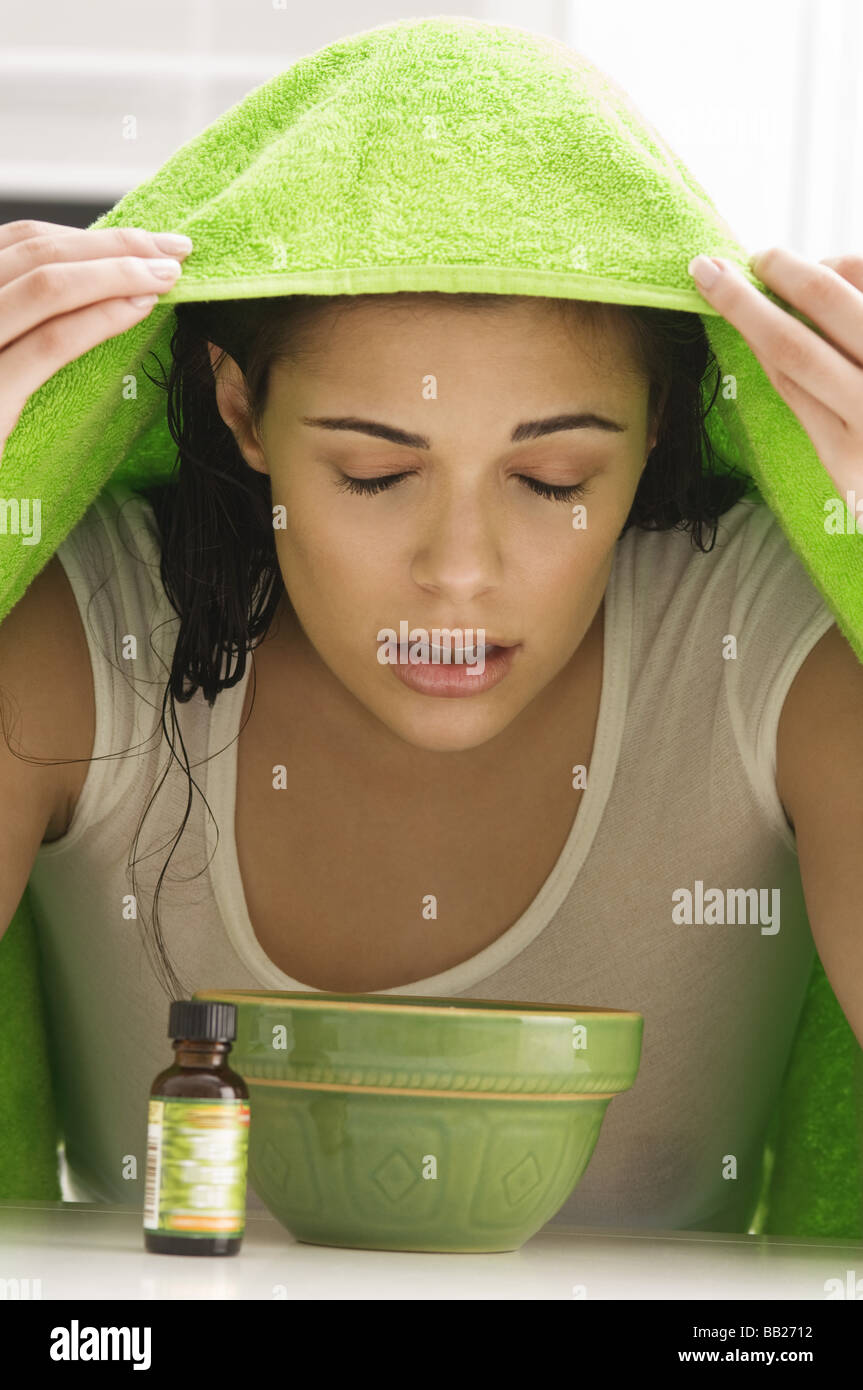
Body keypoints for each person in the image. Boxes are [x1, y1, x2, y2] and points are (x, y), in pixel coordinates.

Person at [0, 214, 848, 1233]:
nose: (455, 572)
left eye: (552, 481)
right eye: (373, 472)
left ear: (659, 418)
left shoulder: (767, 637)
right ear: (241, 406)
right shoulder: (87, 635)